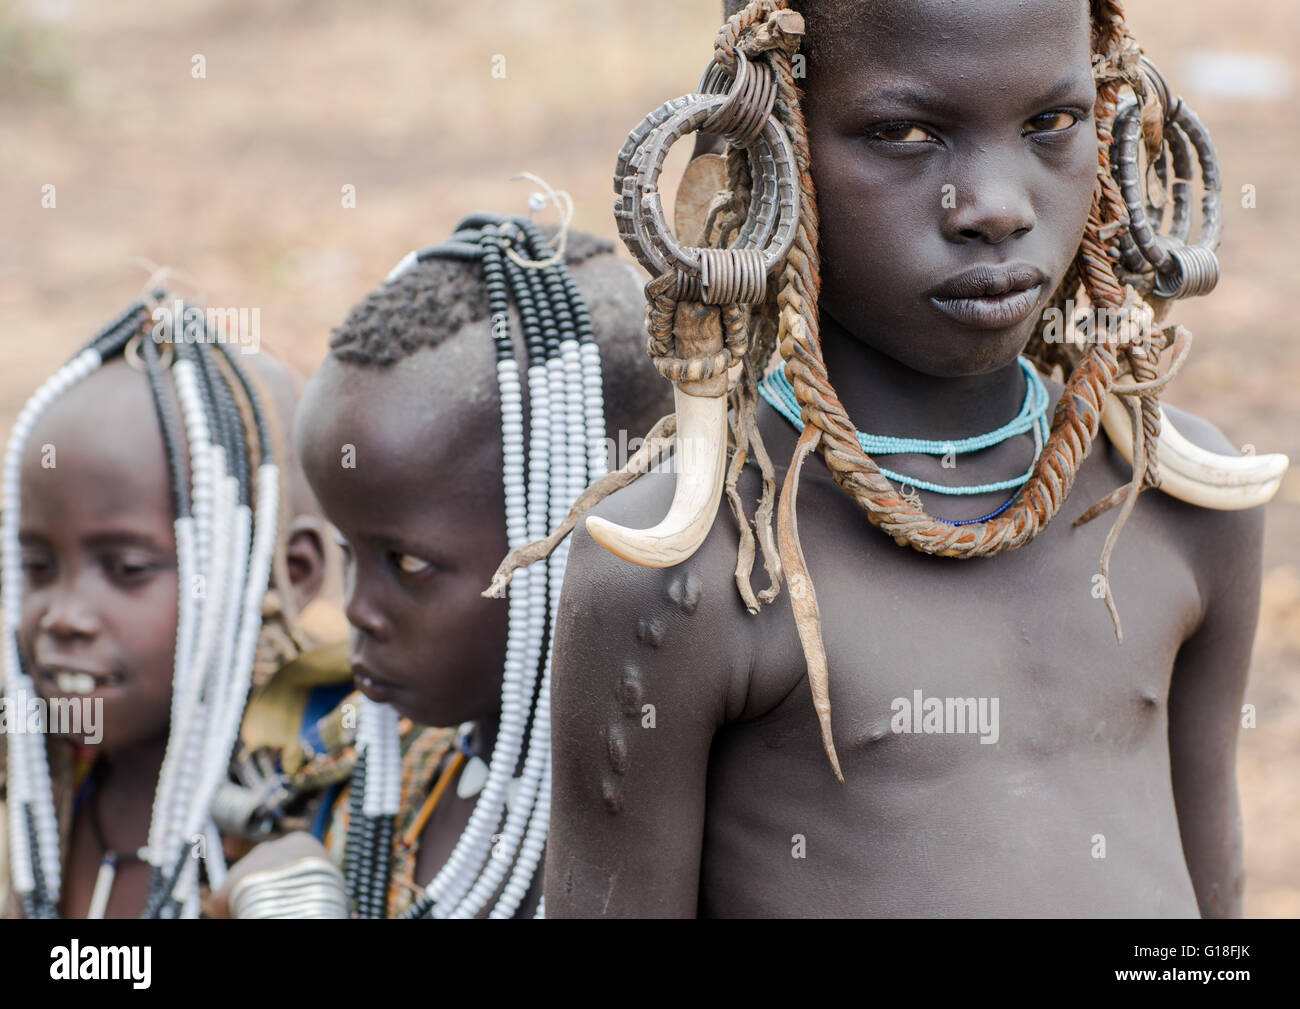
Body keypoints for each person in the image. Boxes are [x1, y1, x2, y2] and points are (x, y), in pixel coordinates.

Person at [543, 0, 1280, 917]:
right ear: (771, 136)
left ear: (1116, 107)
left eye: (1053, 122)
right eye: (903, 133)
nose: (997, 208)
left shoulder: (1178, 502)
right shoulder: (689, 569)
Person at [250, 215, 674, 918]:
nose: (356, 607)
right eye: (349, 554)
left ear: (582, 530)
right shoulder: (352, 771)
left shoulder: (672, 811)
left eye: (408, 562)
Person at [0, 297, 324, 917]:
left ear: (289, 573)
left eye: (126, 570)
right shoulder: (27, 793)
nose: (64, 616)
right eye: (37, 567)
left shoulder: (330, 822)